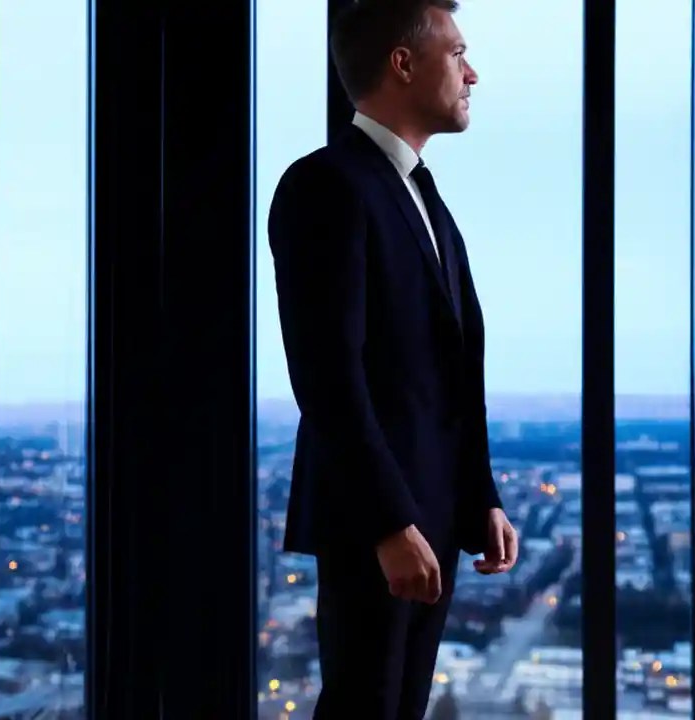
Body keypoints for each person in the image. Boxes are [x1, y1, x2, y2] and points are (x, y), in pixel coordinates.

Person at [266, 1, 519, 718]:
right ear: (402, 64)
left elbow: (447, 375)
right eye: (457, 53)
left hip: (428, 513)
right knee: (365, 707)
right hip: (375, 519)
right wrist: (387, 523)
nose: (472, 73)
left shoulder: (422, 195)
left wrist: (482, 496)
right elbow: (327, 375)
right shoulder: (326, 185)